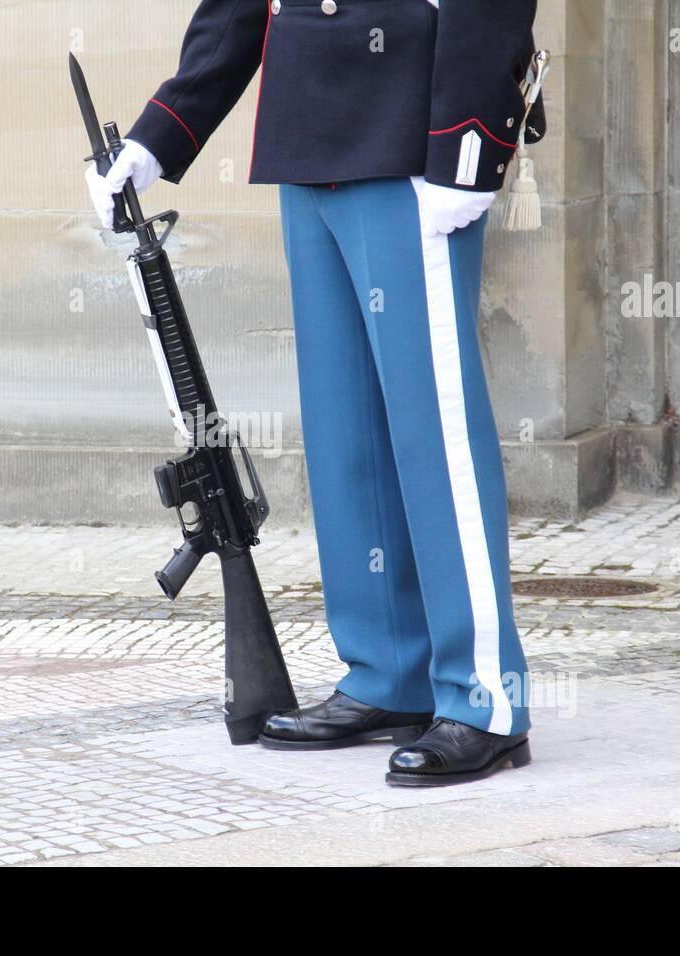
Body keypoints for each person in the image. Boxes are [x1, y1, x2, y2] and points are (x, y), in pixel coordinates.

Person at [85, 0, 546, 787]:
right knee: (345, 435)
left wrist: (471, 141)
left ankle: (482, 698)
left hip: (415, 131)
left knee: (434, 428)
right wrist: (165, 128)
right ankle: (389, 671)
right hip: (307, 130)